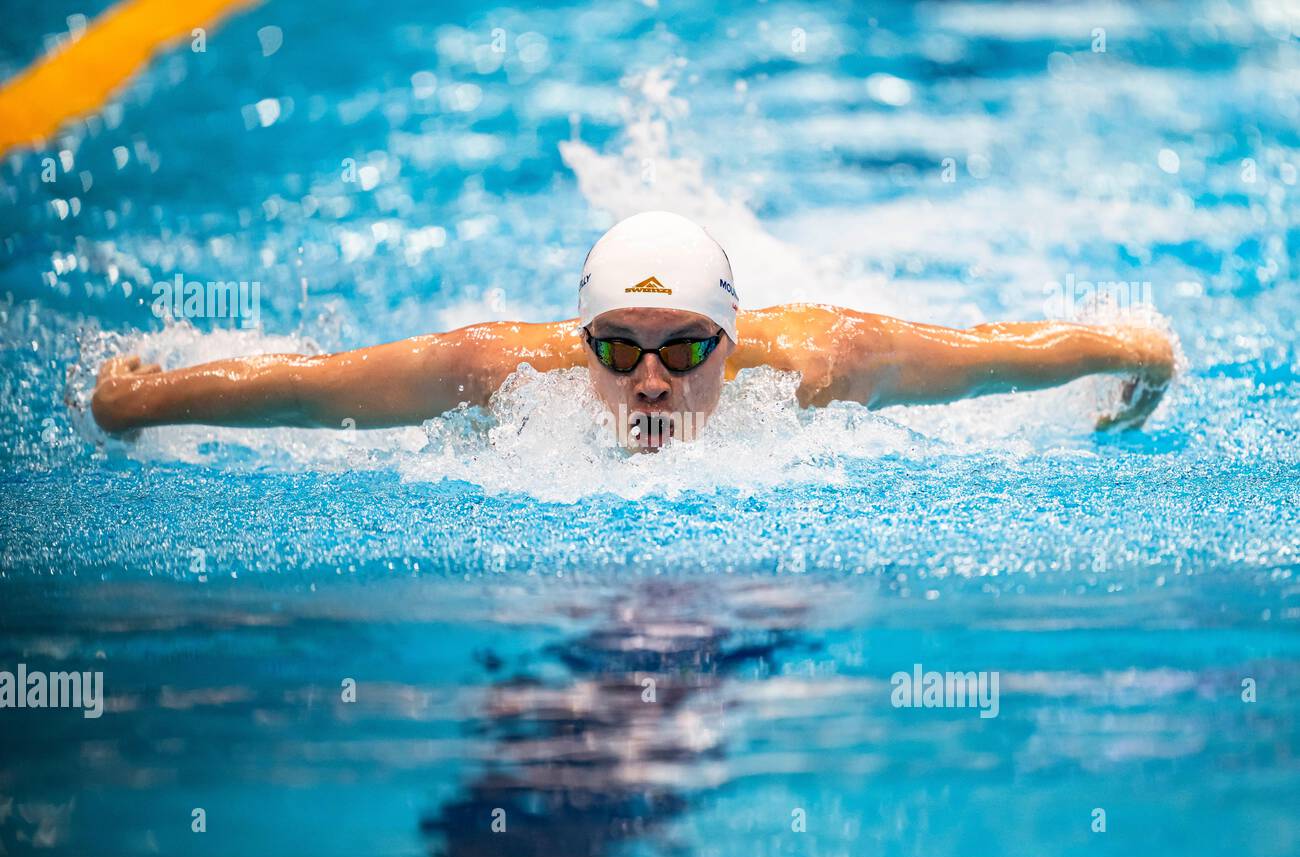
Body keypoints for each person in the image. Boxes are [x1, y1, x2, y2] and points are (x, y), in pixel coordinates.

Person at [91, 211, 1175, 450]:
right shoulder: (501, 369)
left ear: (730, 341)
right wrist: (138, 401)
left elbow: (1003, 352)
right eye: (617, 347)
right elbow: (306, 389)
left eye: (684, 347)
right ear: (581, 341)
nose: (650, 380)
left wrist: (1134, 351)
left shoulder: (817, 363)